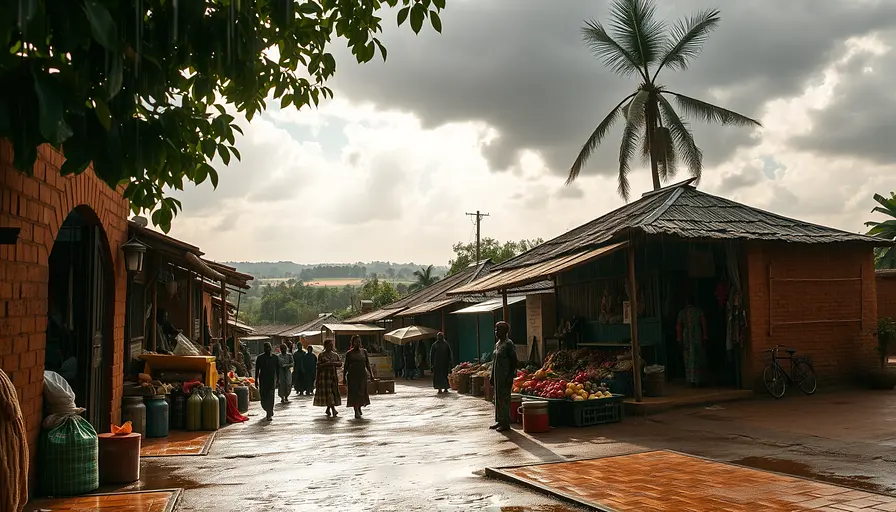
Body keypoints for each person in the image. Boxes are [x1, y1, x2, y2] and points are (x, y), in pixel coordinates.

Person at [490, 321, 517, 432]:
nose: (496, 332)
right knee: (497, 398)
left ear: (505, 332)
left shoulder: (508, 344)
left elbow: (514, 361)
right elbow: (494, 361)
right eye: (495, 330)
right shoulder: (498, 344)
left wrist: (510, 376)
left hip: (505, 376)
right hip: (497, 376)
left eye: (499, 330)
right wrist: (492, 376)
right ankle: (500, 420)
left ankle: (505, 423)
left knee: (504, 399)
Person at [677, 298, 708, 387]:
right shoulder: (699, 311)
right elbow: (703, 323)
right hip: (697, 335)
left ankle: (690, 379)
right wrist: (705, 336)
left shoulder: (682, 313)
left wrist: (679, 339)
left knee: (688, 357)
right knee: (699, 356)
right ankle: (699, 379)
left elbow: (679, 326)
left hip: (686, 336)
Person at [343, 335, 375, 419]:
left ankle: (359, 406)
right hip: (352, 375)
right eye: (356, 342)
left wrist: (371, 374)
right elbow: (345, 366)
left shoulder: (364, 352)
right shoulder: (349, 353)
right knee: (354, 392)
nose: (358, 343)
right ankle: (356, 410)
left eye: (359, 342)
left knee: (361, 392)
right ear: (352, 343)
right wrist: (343, 377)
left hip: (362, 375)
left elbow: (367, 364)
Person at [313, 339, 342, 417]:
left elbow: (340, 363)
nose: (331, 346)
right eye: (329, 345)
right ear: (325, 346)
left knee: (332, 392)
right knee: (329, 393)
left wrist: (333, 363)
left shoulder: (335, 355)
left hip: (333, 376)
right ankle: (333, 410)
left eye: (331, 345)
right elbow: (318, 366)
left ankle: (328, 409)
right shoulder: (321, 355)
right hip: (324, 377)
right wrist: (325, 365)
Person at [254, 343, 280, 421]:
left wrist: (278, 380)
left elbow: (278, 370)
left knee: (271, 397)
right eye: (266, 348)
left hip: (271, 380)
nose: (268, 349)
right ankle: (267, 409)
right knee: (263, 397)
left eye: (269, 347)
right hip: (263, 380)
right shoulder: (260, 358)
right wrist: (256, 380)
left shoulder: (275, 358)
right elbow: (257, 370)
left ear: (271, 348)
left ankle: (269, 413)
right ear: (264, 349)